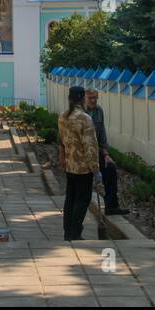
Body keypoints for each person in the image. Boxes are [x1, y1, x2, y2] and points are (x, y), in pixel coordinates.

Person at [57, 85, 100, 241]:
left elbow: (61, 141)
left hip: (70, 165)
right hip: (83, 168)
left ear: (69, 98)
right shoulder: (85, 118)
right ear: (82, 98)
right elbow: (90, 146)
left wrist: (62, 158)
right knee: (82, 200)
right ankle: (75, 232)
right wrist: (95, 169)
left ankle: (68, 232)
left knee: (70, 199)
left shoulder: (63, 116)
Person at [85, 89, 129, 216]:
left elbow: (102, 134)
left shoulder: (99, 111)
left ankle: (112, 206)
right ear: (85, 99)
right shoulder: (80, 113)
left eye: (95, 98)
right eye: (91, 98)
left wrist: (106, 154)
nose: (93, 100)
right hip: (83, 152)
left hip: (97, 150)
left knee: (110, 168)